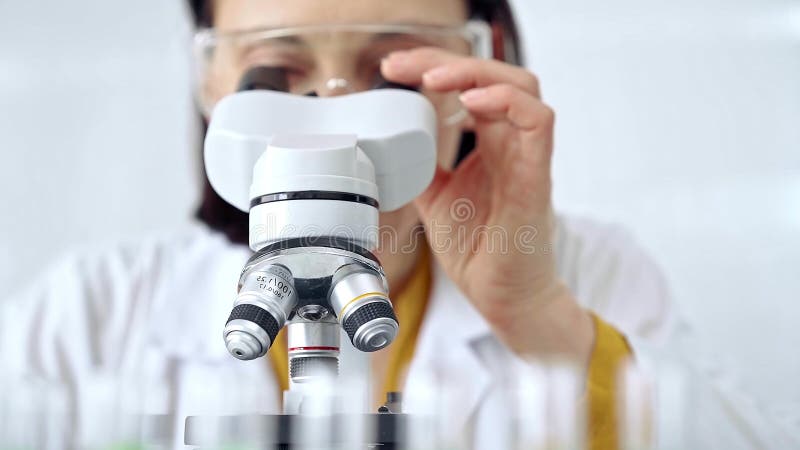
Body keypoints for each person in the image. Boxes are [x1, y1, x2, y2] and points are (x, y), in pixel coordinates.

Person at [0, 1, 793, 449]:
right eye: (280, 70)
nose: (334, 110)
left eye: (392, 70)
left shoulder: (592, 280)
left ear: (477, 69)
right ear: (210, 80)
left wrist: (537, 316)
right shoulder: (90, 313)